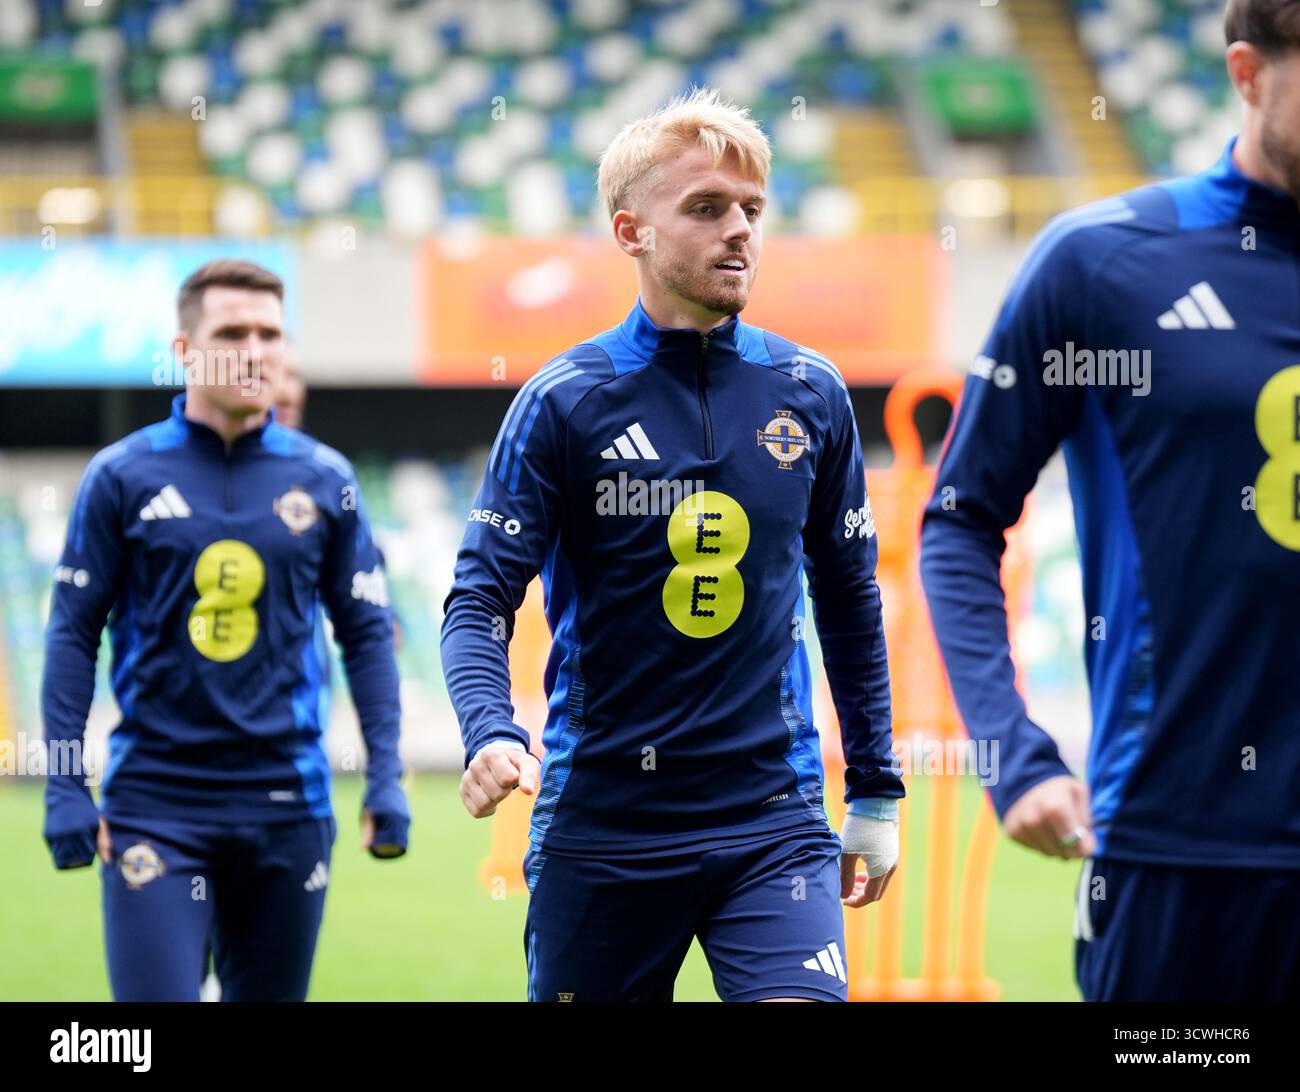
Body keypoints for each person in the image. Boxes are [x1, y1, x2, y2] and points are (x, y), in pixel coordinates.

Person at [441, 87, 902, 1003]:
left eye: (752, 210)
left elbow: (849, 599)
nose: (739, 230)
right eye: (705, 208)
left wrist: (878, 791)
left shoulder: (811, 392)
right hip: (601, 825)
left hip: (771, 821)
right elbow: (479, 601)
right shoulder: (563, 402)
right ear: (630, 231)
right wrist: (489, 728)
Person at [920, 0, 1300, 1001]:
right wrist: (1011, 752)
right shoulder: (1104, 263)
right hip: (1180, 856)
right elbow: (958, 521)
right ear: (1249, 72)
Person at [42, 259, 409, 1002]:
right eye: (231, 332)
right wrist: (63, 783)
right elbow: (72, 634)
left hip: (289, 810)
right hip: (157, 807)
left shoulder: (326, 478)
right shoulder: (121, 476)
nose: (254, 350)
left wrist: (385, 776)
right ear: (185, 351)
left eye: (270, 333)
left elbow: (367, 637)